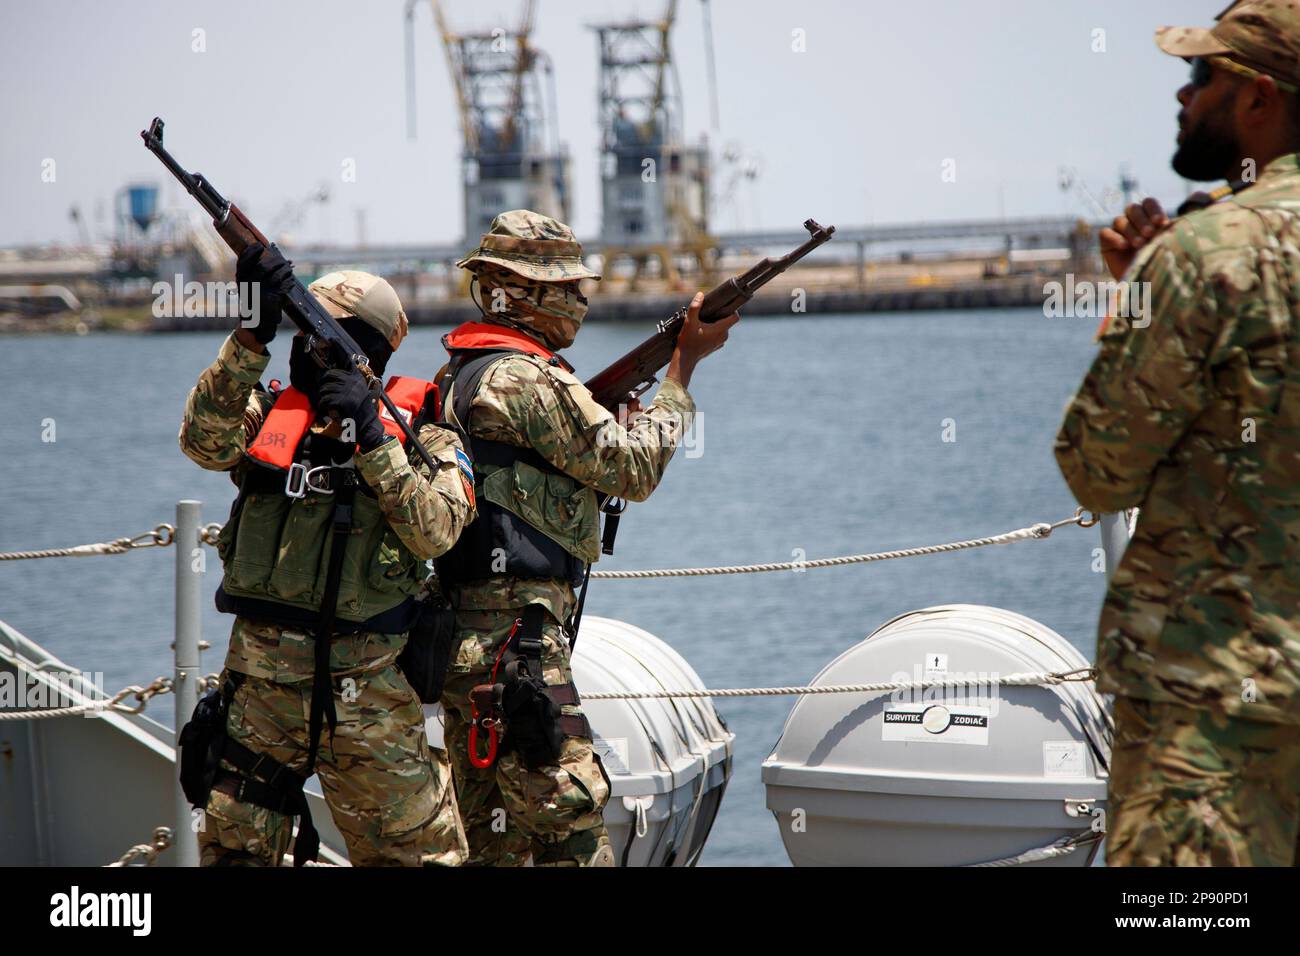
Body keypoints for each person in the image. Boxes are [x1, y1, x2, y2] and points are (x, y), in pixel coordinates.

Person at [1055, 0, 1300, 866]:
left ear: (1261, 100)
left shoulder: (1210, 253)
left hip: (1217, 716)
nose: (1182, 96)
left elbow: (1097, 466)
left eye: (1202, 77)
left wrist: (1144, 293)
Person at [435, 210, 737, 865]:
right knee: (569, 823)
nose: (582, 299)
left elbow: (522, 481)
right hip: (518, 645)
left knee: (493, 839)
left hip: (465, 642)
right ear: (526, 293)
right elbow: (633, 471)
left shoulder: (462, 371)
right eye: (567, 287)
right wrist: (682, 373)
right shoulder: (527, 377)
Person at [179, 244, 476, 866]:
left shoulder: (422, 432)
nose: (305, 352)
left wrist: (372, 436)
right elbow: (204, 443)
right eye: (301, 334)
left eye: (325, 340)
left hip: (366, 696)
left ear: (365, 353)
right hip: (258, 693)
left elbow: (438, 529)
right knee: (236, 854)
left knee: (417, 859)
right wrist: (249, 336)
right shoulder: (270, 416)